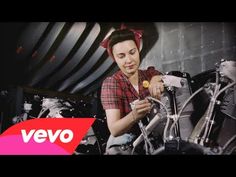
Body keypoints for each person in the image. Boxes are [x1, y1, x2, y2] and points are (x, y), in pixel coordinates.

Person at [100, 25, 164, 155]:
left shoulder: (149, 74)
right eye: (121, 56)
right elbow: (114, 129)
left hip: (152, 139)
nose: (129, 60)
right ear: (115, 58)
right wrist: (134, 115)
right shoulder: (112, 83)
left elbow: (158, 75)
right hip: (123, 143)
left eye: (132, 52)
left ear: (138, 50)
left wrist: (157, 80)